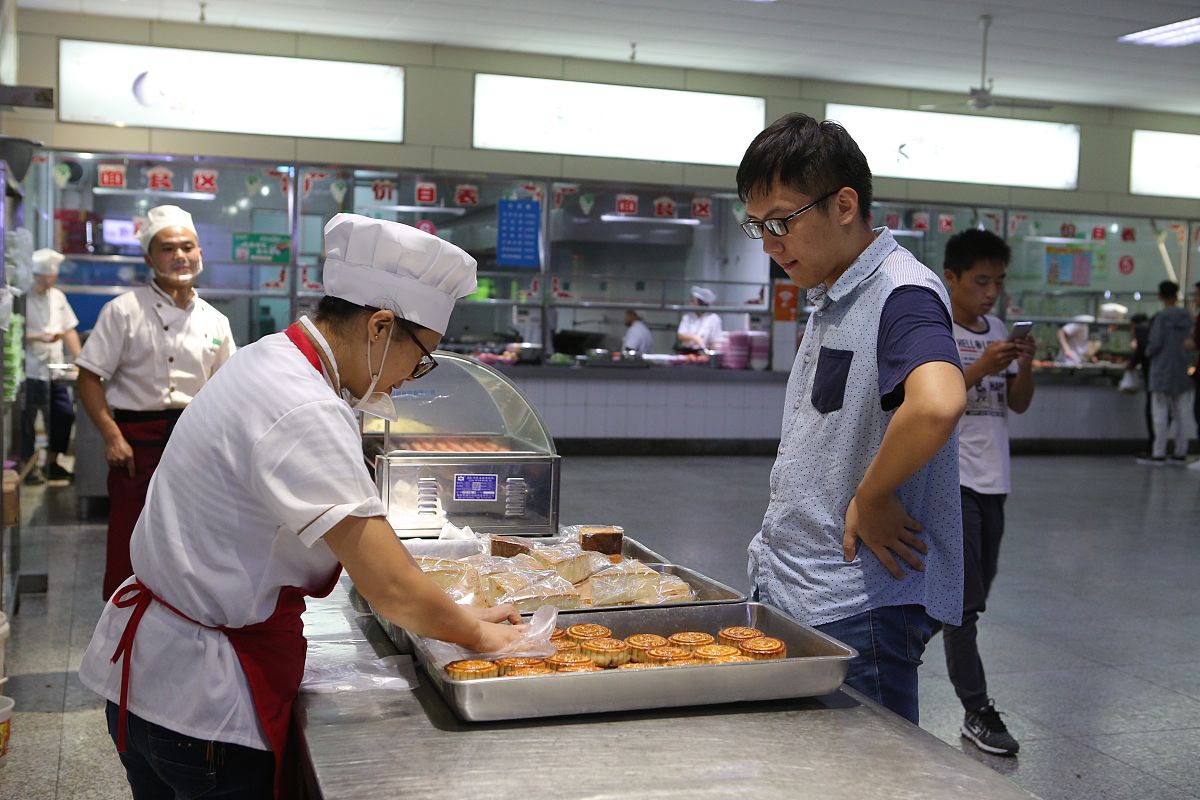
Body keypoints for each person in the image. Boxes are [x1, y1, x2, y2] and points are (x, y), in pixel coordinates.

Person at [79, 214, 526, 799]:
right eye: (420, 359)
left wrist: (459, 616)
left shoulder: (269, 358)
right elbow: (388, 585)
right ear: (380, 326)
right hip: (204, 706)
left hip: (152, 685)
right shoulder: (302, 404)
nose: (409, 380)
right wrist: (483, 637)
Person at [738, 113, 966, 724]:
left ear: (844, 204)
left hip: (857, 604)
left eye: (782, 221)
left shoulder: (902, 292)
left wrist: (874, 493)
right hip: (797, 583)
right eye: (757, 225)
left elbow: (939, 401)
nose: (769, 243)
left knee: (875, 779)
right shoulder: (836, 293)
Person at [76, 205, 236, 599]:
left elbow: (228, 390)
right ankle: (121, 624)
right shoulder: (123, 312)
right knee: (130, 540)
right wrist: (112, 436)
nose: (180, 256)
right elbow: (89, 376)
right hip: (136, 443)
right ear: (150, 258)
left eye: (188, 247)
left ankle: (183, 625)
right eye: (168, 249)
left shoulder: (216, 321)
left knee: (192, 541)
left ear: (200, 252)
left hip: (193, 444)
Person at [940, 229, 1034, 756]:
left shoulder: (997, 328)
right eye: (980, 281)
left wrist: (1024, 363)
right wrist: (980, 367)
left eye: (998, 281)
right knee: (964, 605)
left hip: (995, 480)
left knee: (971, 596)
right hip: (955, 480)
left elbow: (1018, 405)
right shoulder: (939, 328)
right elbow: (937, 397)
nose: (991, 292)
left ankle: (895, 636)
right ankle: (977, 709)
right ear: (951, 278)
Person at [21, 248, 82, 485]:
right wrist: (37, 337)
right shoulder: (23, 298)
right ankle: (28, 467)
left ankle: (52, 462)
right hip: (31, 369)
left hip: (55, 368)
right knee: (27, 422)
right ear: (36, 276)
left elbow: (68, 329)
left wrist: (80, 361)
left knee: (63, 415)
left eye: (52, 278)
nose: (48, 283)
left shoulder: (57, 297)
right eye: (44, 278)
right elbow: (13, 333)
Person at [1143, 280, 1194, 465]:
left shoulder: (1161, 318)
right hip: (1181, 368)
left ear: (1160, 296)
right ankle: (1181, 451)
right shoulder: (1187, 317)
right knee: (1181, 413)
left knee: (1160, 413)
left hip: (1161, 370)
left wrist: (1147, 351)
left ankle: (1159, 452)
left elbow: (1155, 344)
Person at [1127, 312, 1154, 456]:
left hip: (1153, 377)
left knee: (1154, 411)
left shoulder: (1142, 331)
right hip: (1165, 376)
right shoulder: (1153, 330)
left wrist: (1131, 364)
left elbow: (1140, 352)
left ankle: (1154, 448)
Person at [676, 286, 722, 351]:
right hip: (686, 351)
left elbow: (714, 341)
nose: (691, 303)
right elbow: (680, 335)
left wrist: (710, 354)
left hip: (704, 352)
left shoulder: (714, 319)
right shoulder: (687, 317)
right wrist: (694, 338)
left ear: (701, 303)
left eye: (693, 301)